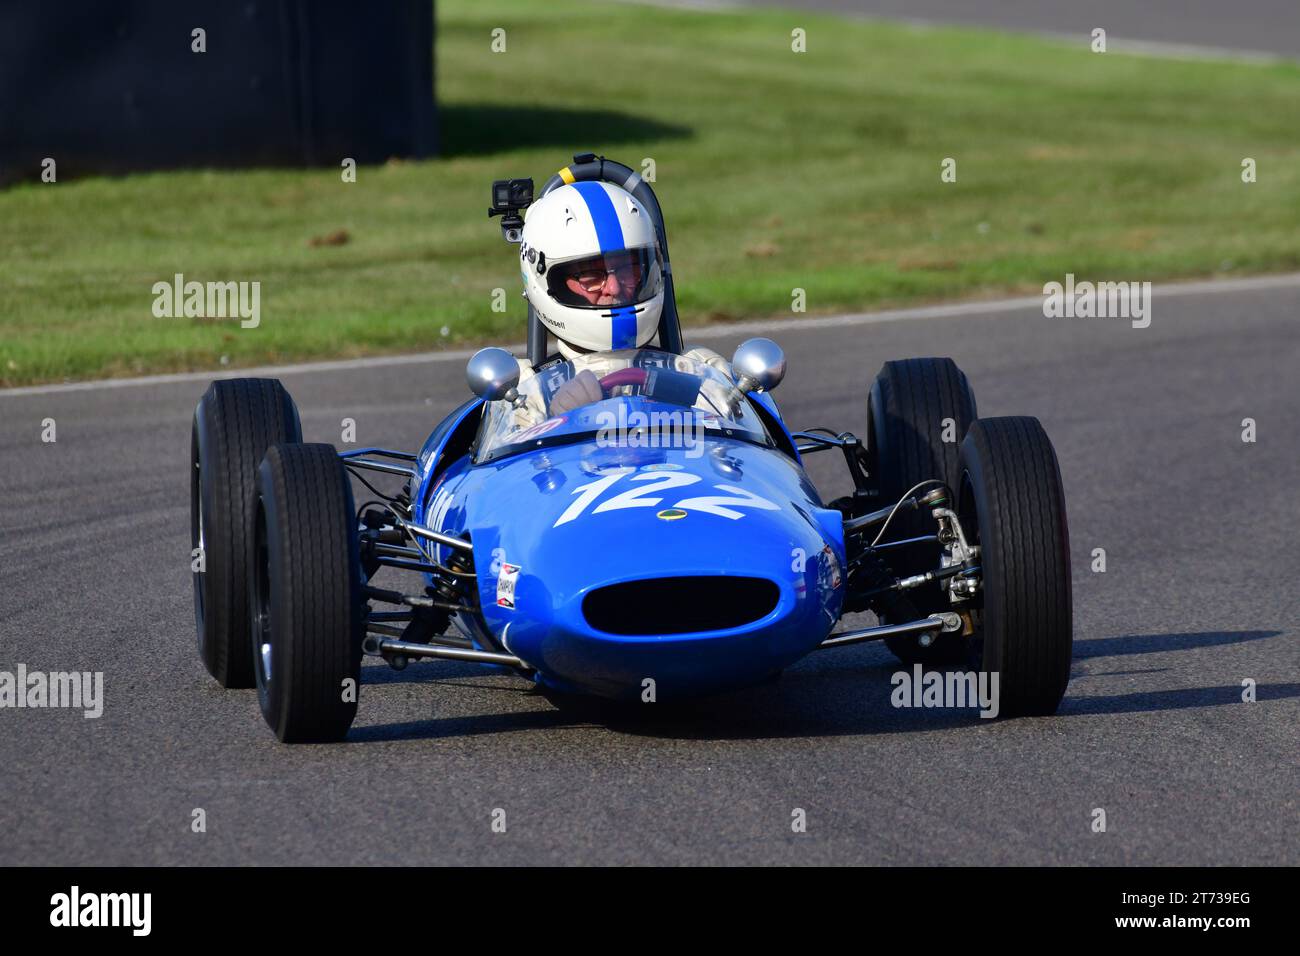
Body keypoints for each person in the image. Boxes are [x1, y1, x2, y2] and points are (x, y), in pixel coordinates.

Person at [512, 179, 730, 415]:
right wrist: (553, 424)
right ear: (547, 281)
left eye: (628, 268)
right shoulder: (522, 389)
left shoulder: (698, 368)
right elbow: (514, 449)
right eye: (590, 275)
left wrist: (704, 404)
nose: (614, 288)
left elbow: (737, 444)